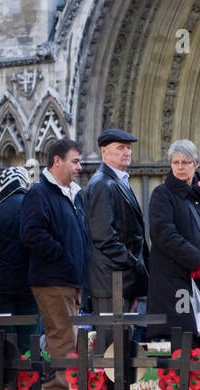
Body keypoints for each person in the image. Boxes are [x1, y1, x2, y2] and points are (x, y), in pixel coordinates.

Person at [147, 138, 200, 390]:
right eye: (175, 162)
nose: (180, 168)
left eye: (185, 162)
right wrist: (196, 262)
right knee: (182, 336)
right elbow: (164, 234)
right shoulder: (162, 194)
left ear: (196, 164)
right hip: (175, 281)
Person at [22, 137, 88, 390]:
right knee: (62, 335)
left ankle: (55, 389)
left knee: (65, 337)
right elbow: (32, 234)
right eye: (75, 161)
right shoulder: (39, 193)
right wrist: (63, 257)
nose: (80, 167)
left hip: (70, 279)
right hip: (52, 279)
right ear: (57, 161)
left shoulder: (72, 194)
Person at [84, 128, 147, 318]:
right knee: (110, 342)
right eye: (120, 148)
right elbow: (103, 234)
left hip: (123, 278)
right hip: (110, 279)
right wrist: (131, 262)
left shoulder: (118, 181)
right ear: (104, 151)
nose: (126, 152)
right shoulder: (102, 183)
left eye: (128, 148)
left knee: (122, 341)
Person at [0, 166, 38, 355]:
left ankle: (7, 381)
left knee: (6, 341)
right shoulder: (32, 205)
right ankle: (29, 380)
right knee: (30, 340)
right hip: (30, 285)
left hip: (0, 288)